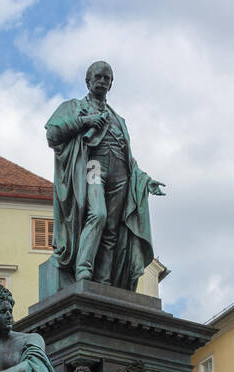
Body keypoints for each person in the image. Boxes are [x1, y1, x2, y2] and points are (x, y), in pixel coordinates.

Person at [45, 60, 165, 289]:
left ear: (111, 84)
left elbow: (128, 156)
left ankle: (103, 280)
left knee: (112, 228)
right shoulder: (74, 107)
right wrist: (85, 121)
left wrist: (145, 179)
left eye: (106, 78)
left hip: (120, 173)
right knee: (97, 213)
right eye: (98, 77)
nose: (102, 81)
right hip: (94, 167)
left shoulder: (119, 120)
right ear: (88, 80)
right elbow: (53, 134)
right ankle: (83, 269)